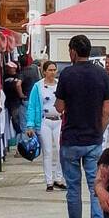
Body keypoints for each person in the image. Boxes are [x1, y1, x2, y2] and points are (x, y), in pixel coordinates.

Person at [55, 35, 109, 218]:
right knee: (95, 185)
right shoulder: (101, 74)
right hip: (93, 139)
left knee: (73, 189)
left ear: (73, 52)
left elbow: (59, 107)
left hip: (71, 139)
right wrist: (99, 131)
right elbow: (107, 110)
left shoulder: (67, 74)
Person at [25, 60, 65, 190]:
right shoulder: (38, 86)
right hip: (44, 121)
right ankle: (49, 181)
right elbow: (32, 106)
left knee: (61, 150)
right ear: (44, 72)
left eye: (54, 70)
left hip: (59, 120)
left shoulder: (60, 85)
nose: (52, 72)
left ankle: (58, 178)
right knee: (47, 151)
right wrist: (30, 125)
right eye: (50, 70)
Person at [2, 61, 25, 140]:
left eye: (10, 67)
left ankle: (20, 135)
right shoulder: (4, 76)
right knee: (8, 120)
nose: (8, 69)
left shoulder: (18, 76)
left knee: (16, 119)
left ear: (15, 68)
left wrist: (21, 95)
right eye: (7, 67)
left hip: (15, 101)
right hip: (7, 101)